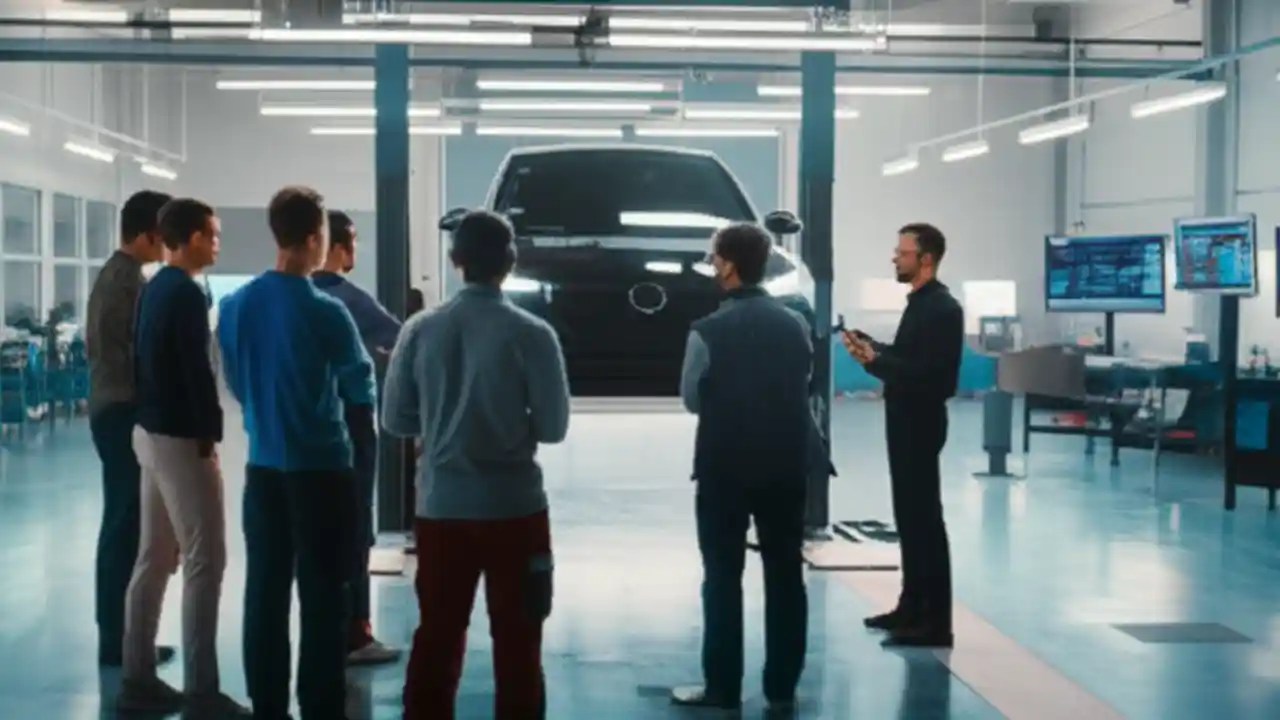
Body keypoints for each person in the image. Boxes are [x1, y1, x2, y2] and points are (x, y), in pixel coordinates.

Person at [383, 210, 569, 720]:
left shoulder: (419, 330)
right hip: (516, 510)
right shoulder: (534, 335)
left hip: (441, 508)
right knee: (519, 638)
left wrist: (442, 423)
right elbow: (553, 428)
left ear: (454, 260)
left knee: (438, 634)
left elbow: (396, 420)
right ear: (510, 262)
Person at [218, 187, 375, 719]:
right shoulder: (326, 310)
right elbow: (361, 389)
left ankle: (267, 706)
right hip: (323, 471)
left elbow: (236, 383)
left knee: (264, 593)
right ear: (314, 239)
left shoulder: (235, 305)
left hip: (263, 471)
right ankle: (321, 705)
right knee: (324, 597)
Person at [670, 223, 812, 714]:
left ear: (728, 264)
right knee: (786, 575)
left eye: (714, 257)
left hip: (724, 468)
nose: (712, 264)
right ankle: (782, 688)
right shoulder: (794, 324)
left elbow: (691, 400)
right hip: (786, 465)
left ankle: (723, 689)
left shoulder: (705, 332)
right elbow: (803, 384)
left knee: (723, 577)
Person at [118, 198, 249, 717]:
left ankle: (137, 676)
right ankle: (201, 688)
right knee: (205, 560)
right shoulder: (187, 296)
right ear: (190, 237)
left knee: (153, 558)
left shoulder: (153, 288)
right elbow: (196, 374)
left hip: (149, 432)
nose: (217, 243)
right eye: (212, 234)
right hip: (180, 439)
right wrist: (208, 437)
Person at [842, 223, 963, 649]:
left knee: (925, 520)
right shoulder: (920, 304)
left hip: (921, 420)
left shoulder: (943, 309)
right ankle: (911, 607)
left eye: (903, 252)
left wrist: (879, 362)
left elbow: (934, 376)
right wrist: (872, 353)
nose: (895, 257)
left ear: (925, 258)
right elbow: (907, 359)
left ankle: (935, 624)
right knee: (909, 519)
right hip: (904, 418)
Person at [85, 189, 176, 667]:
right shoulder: (128, 283)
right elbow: (134, 354)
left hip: (111, 407)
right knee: (124, 523)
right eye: (164, 237)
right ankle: (119, 641)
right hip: (121, 411)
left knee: (125, 521)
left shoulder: (117, 276)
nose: (167, 246)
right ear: (146, 235)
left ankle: (124, 637)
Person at [312, 210, 402, 665]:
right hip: (351, 431)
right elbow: (403, 344)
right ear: (341, 247)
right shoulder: (352, 301)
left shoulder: (289, 296)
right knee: (354, 533)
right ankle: (355, 634)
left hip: (302, 439)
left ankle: (321, 633)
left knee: (315, 539)